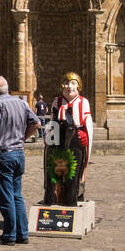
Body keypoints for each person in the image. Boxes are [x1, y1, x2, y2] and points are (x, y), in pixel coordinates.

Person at [0, 74, 41, 244]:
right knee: (17, 195)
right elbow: (36, 123)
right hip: (19, 153)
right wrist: (23, 137)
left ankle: (9, 235)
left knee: (6, 196)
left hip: (4, 154)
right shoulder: (21, 103)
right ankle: (22, 233)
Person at [45, 72, 93, 206]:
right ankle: (52, 197)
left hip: (75, 139)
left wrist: (86, 136)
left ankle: (71, 199)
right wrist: (48, 137)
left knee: (73, 171)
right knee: (53, 170)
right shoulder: (57, 101)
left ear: (79, 86)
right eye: (66, 83)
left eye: (73, 83)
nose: (69, 86)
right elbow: (52, 121)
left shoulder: (83, 102)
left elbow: (87, 122)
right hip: (57, 137)